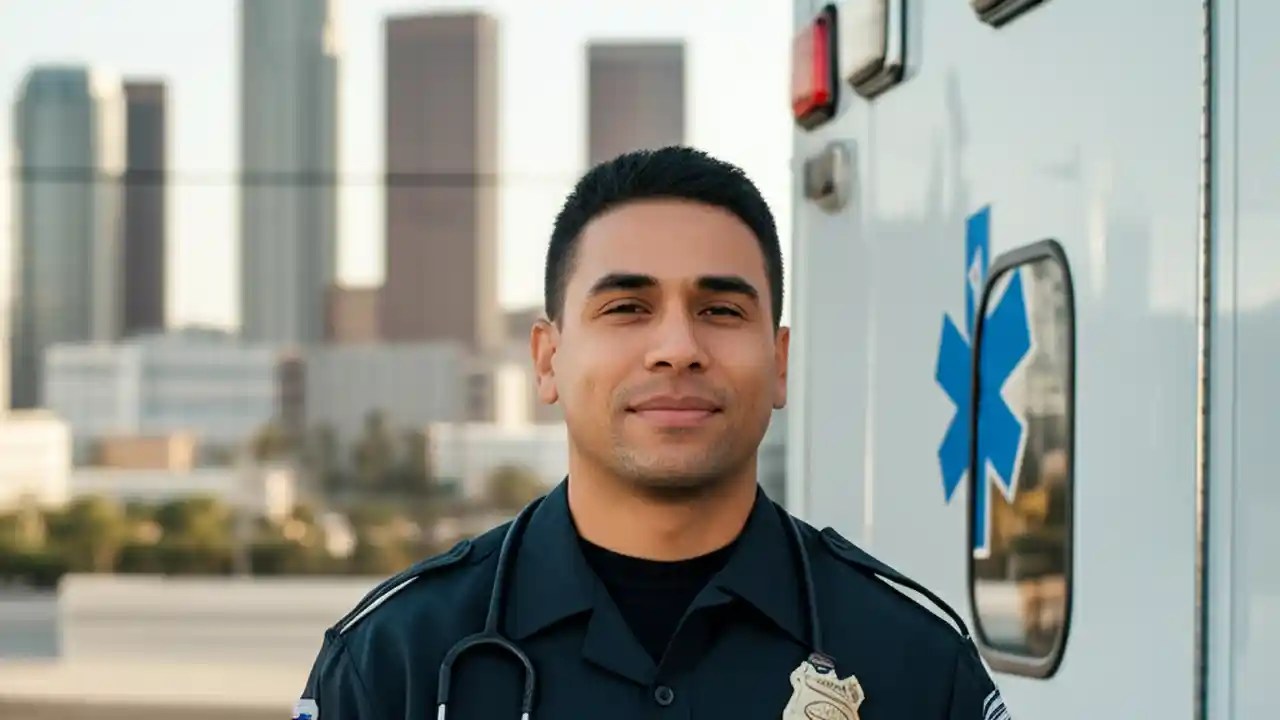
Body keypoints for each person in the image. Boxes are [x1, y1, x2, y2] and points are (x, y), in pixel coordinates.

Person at [294, 147, 1011, 719]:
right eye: (628, 307)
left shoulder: (913, 663)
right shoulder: (400, 661)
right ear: (548, 359)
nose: (677, 346)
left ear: (781, 362)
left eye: (722, 310)